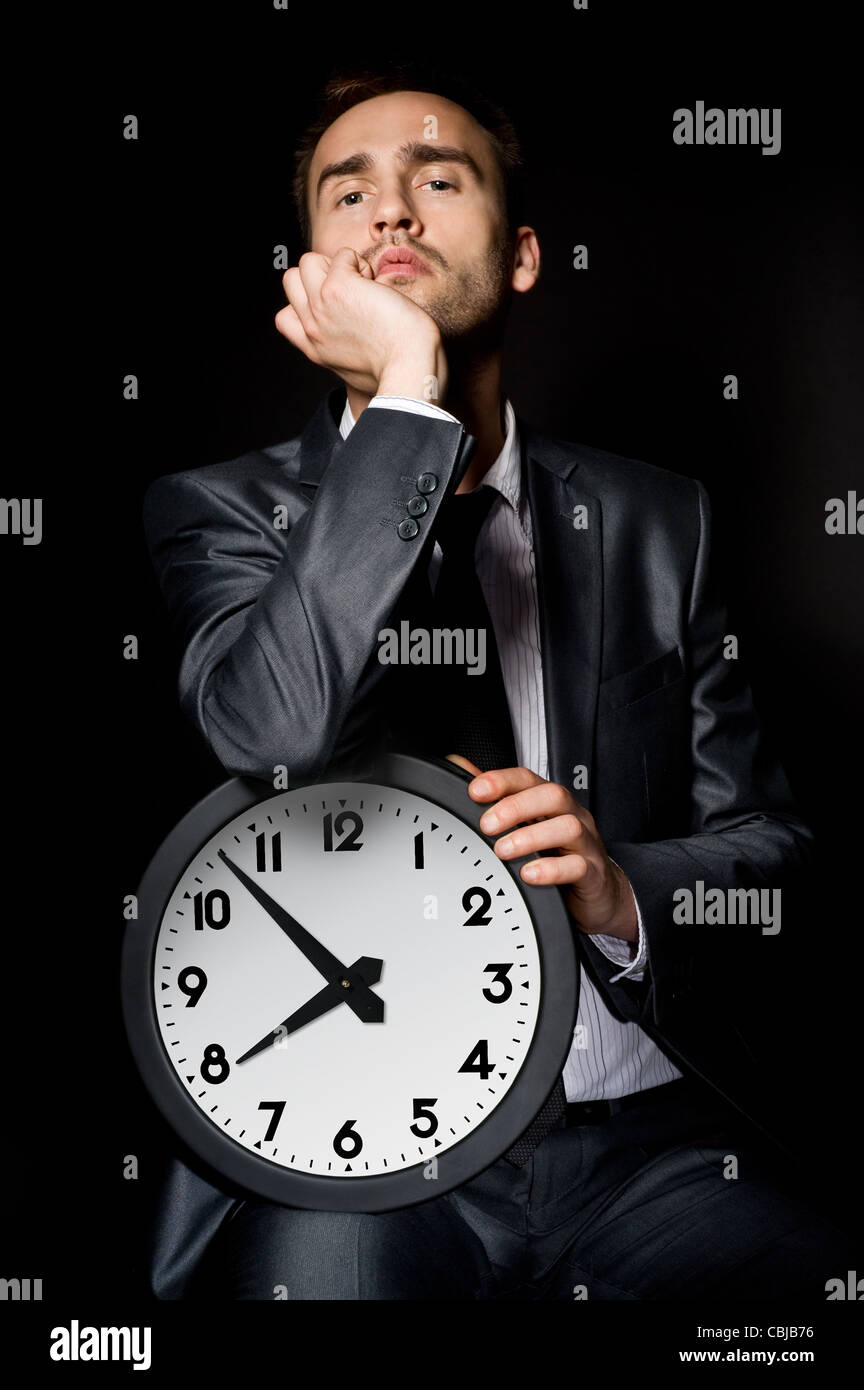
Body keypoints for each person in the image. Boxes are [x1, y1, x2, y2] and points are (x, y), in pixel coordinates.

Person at [141, 63, 856, 1300]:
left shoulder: (655, 521)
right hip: (356, 1151)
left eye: (438, 181)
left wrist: (622, 884)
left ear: (523, 256)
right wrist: (410, 397)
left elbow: (774, 844)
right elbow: (273, 729)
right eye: (348, 193)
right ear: (306, 271)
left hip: (644, 1154)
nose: (392, 214)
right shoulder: (217, 510)